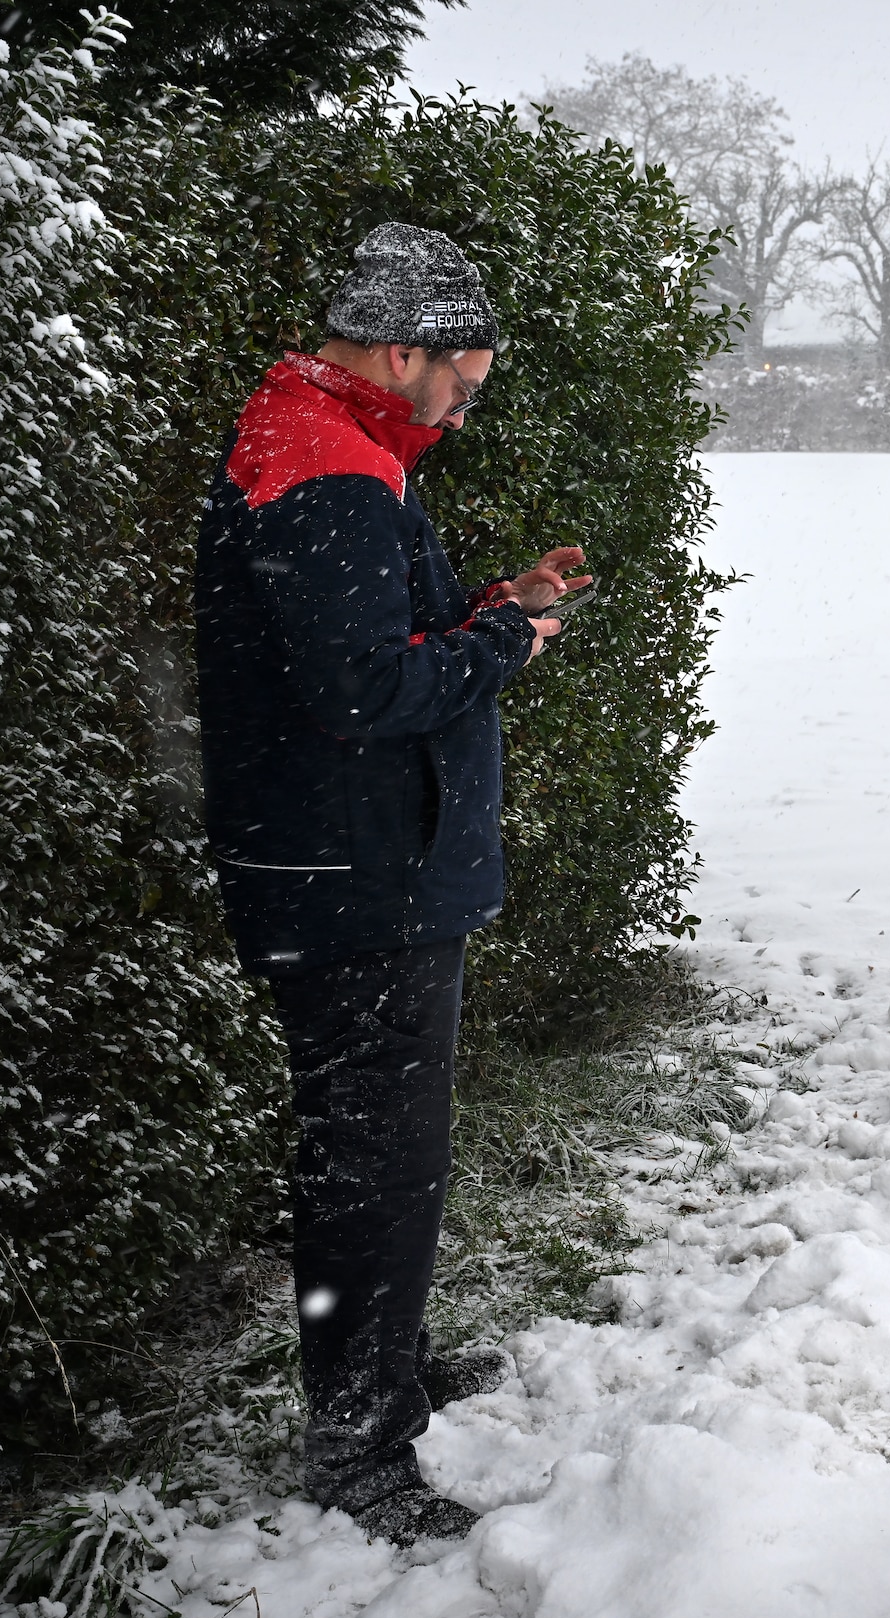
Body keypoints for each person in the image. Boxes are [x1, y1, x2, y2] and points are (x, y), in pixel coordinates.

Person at [193, 223, 587, 1546]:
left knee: (375, 1148)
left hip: (355, 862)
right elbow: (364, 690)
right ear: (402, 349)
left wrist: (488, 607)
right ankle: (361, 1449)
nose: (465, 410)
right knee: (377, 1158)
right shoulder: (328, 466)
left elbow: (368, 644)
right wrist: (500, 639)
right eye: (462, 383)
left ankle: (381, 1374)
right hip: (358, 878)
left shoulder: (326, 441)